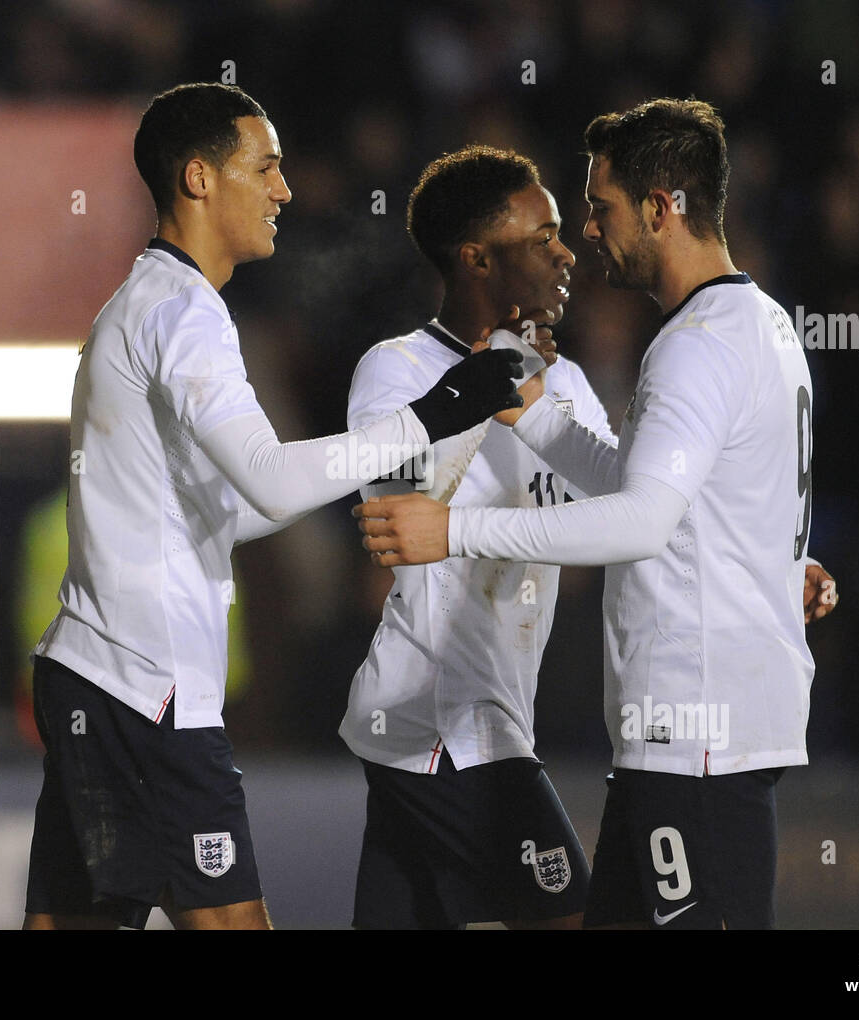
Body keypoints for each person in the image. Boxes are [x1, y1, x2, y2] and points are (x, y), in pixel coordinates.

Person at [22, 82, 525, 931]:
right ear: (199, 179)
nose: (284, 191)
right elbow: (272, 480)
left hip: (97, 680)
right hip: (146, 693)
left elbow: (238, 505)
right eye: (265, 167)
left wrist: (364, 502)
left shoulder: (149, 305)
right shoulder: (184, 314)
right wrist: (438, 412)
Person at [354, 98, 837, 929]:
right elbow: (667, 492)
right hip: (614, 738)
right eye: (550, 228)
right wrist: (532, 414)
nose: (582, 234)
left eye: (597, 208)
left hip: (695, 741)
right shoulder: (756, 323)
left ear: (660, 209)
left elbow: (641, 518)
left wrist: (457, 528)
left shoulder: (694, 345)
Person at [342, 145, 613, 929]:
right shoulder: (394, 371)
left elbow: (623, 512)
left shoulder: (564, 381)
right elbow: (402, 519)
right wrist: (494, 378)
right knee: (569, 915)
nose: (568, 251)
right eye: (543, 236)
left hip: (473, 715)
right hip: (441, 717)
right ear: (477, 260)